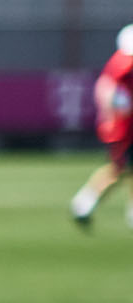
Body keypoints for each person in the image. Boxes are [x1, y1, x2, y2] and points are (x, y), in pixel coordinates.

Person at [70, 24, 133, 231]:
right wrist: (111, 114)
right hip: (123, 129)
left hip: (124, 128)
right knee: (119, 169)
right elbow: (107, 90)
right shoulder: (124, 63)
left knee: (123, 170)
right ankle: (84, 203)